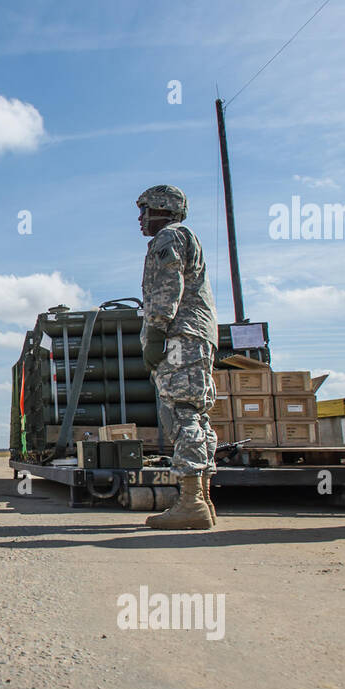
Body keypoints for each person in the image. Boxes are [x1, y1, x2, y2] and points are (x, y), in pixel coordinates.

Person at [138, 185, 219, 529]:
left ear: (161, 209)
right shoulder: (185, 237)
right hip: (198, 336)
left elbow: (169, 284)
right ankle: (202, 498)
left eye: (145, 211)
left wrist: (155, 331)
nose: (140, 219)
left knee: (181, 413)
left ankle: (191, 502)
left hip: (180, 336)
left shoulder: (169, 236)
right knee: (198, 416)